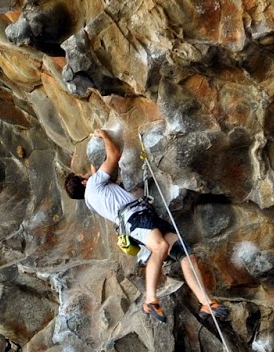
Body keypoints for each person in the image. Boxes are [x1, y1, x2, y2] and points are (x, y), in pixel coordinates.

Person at [63, 130, 228, 323]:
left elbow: (97, 174)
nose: (89, 174)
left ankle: (207, 303)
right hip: (136, 219)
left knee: (185, 253)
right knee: (160, 247)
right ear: (84, 181)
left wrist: (92, 171)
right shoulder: (93, 185)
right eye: (84, 175)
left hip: (142, 217)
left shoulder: (92, 198)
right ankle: (150, 299)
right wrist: (104, 136)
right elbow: (114, 156)